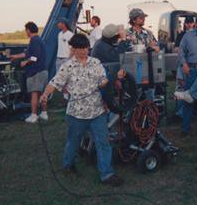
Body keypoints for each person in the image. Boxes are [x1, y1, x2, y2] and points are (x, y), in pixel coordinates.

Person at [39, 34, 124, 187]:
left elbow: (103, 81)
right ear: (74, 49)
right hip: (76, 114)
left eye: (86, 47)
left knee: (103, 143)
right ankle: (68, 165)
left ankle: (107, 174)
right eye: (81, 48)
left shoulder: (96, 63)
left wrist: (113, 79)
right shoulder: (67, 66)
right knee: (73, 142)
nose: (85, 50)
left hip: (97, 112)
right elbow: (55, 82)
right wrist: (45, 94)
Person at [16, 21, 48, 123]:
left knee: (34, 93)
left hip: (35, 72)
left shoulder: (34, 40)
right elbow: (28, 53)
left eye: (26, 30)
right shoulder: (38, 40)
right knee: (42, 94)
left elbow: (35, 57)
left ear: (29, 30)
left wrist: (25, 62)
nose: (26, 32)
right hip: (42, 70)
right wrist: (15, 56)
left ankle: (33, 115)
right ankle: (43, 113)